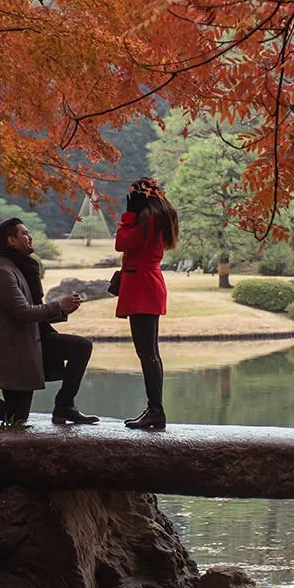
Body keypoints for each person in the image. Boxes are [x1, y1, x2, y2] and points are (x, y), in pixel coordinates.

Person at [0, 217, 100, 426]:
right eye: (24, 234)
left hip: (37, 339)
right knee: (16, 416)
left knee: (81, 347)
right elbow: (23, 312)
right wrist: (58, 306)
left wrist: (63, 310)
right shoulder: (2, 272)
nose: (30, 237)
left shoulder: (24, 268)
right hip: (17, 349)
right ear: (11, 241)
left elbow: (33, 308)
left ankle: (65, 406)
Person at [115, 177, 178, 430]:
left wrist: (128, 215)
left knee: (147, 354)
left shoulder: (147, 220)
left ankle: (155, 410)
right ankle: (155, 409)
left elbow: (122, 242)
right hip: (148, 283)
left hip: (141, 285)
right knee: (150, 353)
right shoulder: (160, 217)